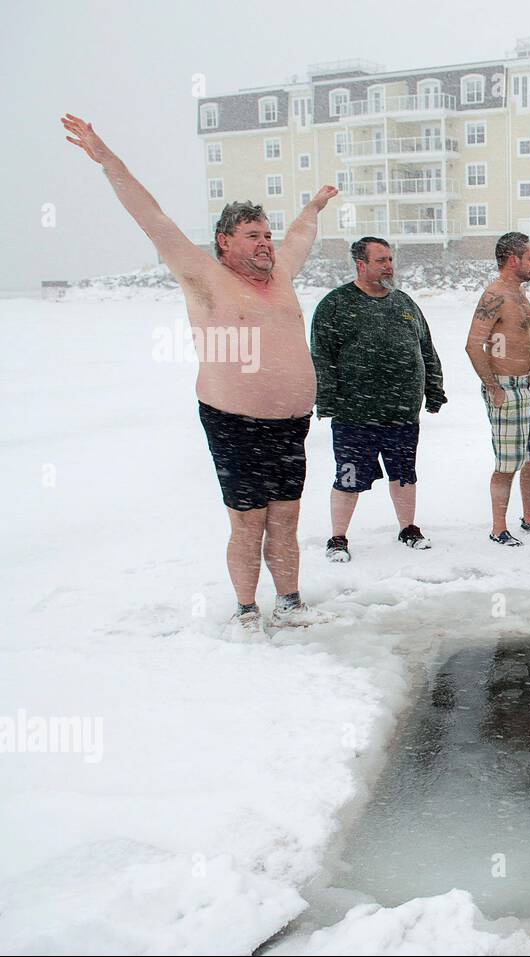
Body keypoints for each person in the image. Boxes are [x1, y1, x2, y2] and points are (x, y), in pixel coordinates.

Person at [62, 113, 336, 636]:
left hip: (289, 422)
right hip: (234, 421)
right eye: (253, 235)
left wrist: (315, 205)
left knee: (286, 518)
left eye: (267, 235)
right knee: (248, 520)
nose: (266, 244)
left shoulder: (280, 277)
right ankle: (247, 610)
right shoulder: (204, 276)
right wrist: (106, 158)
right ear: (224, 241)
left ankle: (291, 602)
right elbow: (151, 215)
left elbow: (301, 233)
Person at [310, 237, 447, 561]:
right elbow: (321, 356)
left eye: (390, 259)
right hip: (355, 414)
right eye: (381, 260)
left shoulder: (404, 303)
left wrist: (434, 388)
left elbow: (425, 348)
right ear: (361, 264)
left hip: (401, 411)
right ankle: (338, 539)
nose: (389, 266)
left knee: (405, 474)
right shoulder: (336, 304)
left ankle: (408, 529)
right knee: (348, 478)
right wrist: (326, 399)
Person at [463, 232, 530, 546]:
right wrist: (493, 387)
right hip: (504, 387)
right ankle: (498, 527)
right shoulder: (495, 294)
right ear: (514, 259)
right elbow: (474, 345)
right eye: (529, 258)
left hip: (529, 386)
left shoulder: (518, 293)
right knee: (507, 462)